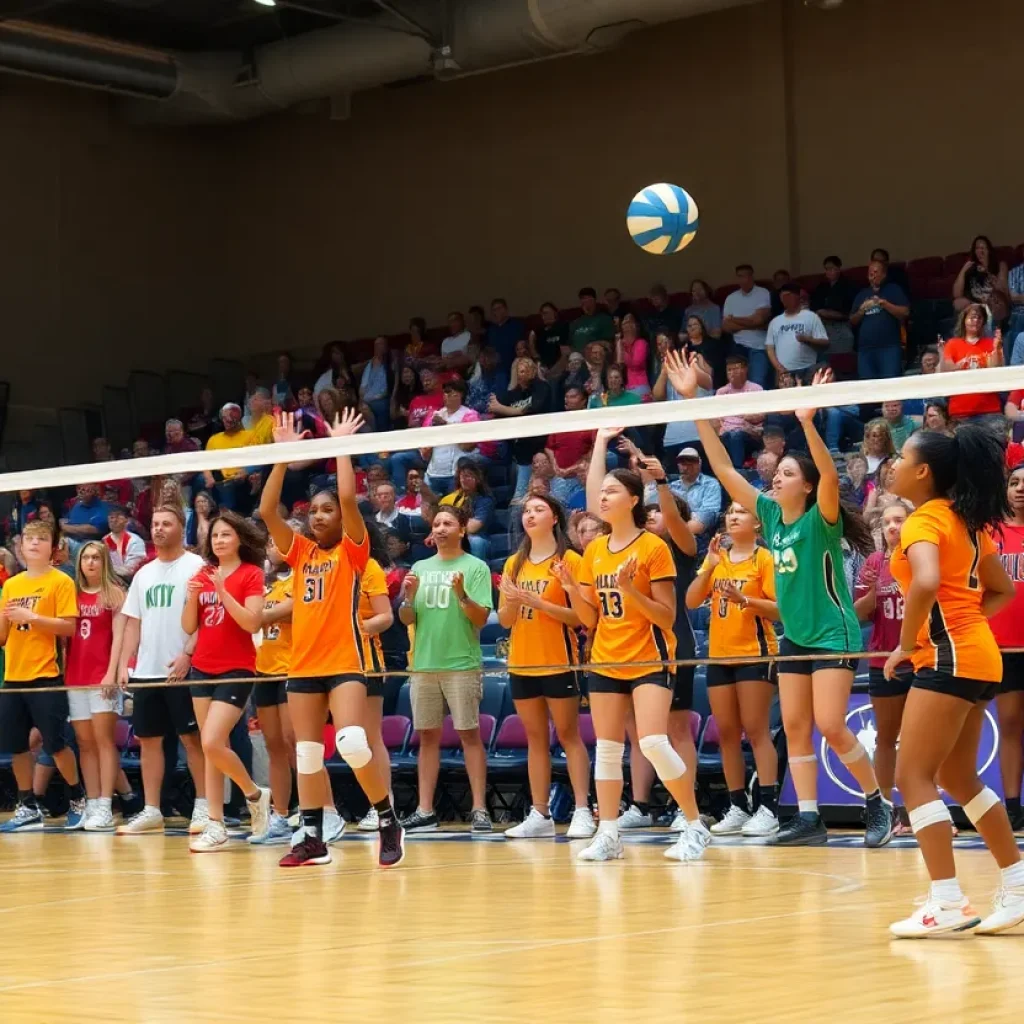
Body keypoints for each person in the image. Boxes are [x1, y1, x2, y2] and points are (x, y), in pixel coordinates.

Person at [664, 352, 891, 847]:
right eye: (777, 474)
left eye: (787, 473)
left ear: (805, 486)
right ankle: (809, 818)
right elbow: (723, 468)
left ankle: (878, 801)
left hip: (833, 632)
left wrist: (807, 422)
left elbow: (828, 476)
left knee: (831, 725)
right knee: (795, 725)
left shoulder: (820, 518)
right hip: (795, 636)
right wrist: (693, 401)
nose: (777, 479)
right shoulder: (768, 514)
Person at [884, 425, 1024, 937]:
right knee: (959, 778)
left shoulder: (924, 520)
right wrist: (963, 625)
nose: (894, 464)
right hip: (978, 654)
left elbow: (924, 581)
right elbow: (1002, 590)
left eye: (901, 457)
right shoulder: (966, 521)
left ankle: (946, 901)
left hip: (949, 657)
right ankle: (1018, 882)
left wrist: (907, 641)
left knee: (912, 777)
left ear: (923, 471)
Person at [260, 409, 404, 868]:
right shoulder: (301, 552)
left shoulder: (353, 553)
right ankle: (312, 838)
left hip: (345, 662)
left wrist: (340, 446)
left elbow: (347, 496)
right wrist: (282, 457)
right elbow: (267, 511)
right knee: (306, 753)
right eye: (314, 511)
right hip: (302, 664)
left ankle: (387, 820)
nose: (319, 516)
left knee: (353, 742)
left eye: (327, 511)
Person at [555, 460, 711, 863]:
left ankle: (694, 825)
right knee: (608, 749)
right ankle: (608, 833)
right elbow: (590, 619)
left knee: (653, 741)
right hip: (606, 658)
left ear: (633, 499)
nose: (603, 497)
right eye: (601, 491)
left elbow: (666, 616)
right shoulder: (593, 550)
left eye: (611, 491)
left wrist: (630, 590)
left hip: (649, 657)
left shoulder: (653, 547)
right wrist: (571, 588)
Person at [498, 495, 595, 840]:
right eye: (526, 510)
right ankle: (540, 813)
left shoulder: (570, 560)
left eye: (539, 510)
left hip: (559, 660)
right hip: (522, 663)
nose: (530, 515)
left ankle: (582, 810)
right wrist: (514, 601)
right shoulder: (514, 563)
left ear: (555, 518)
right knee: (535, 739)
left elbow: (583, 618)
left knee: (569, 735)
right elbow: (505, 620)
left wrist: (539, 603)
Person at [686, 506, 781, 838]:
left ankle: (768, 808)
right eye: (730, 512)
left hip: (755, 653)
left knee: (756, 730)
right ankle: (738, 806)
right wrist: (708, 567)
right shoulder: (717, 558)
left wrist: (745, 599)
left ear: (757, 523)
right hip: (719, 656)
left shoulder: (765, 560)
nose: (733, 517)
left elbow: (780, 609)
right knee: (726, 733)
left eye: (742, 512)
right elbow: (691, 600)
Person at [397, 505, 493, 832]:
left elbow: (481, 618)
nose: (440, 528)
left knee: (469, 734)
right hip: (424, 665)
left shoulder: (475, 567)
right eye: (436, 523)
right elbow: (407, 619)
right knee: (426, 736)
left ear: (462, 530)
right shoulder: (420, 567)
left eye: (447, 523)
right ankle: (425, 810)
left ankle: (479, 809)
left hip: (461, 664)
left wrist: (462, 595)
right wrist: (407, 598)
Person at [115, 507, 208, 835]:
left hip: (182, 670)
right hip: (146, 672)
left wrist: (188, 654)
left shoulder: (197, 566)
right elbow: (133, 623)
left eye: (166, 524)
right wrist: (125, 664)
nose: (158, 529)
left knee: (192, 740)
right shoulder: (144, 573)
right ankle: (152, 809)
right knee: (149, 741)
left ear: (181, 528)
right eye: (154, 524)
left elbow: (208, 617)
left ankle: (204, 807)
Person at [181, 510, 270, 852]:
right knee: (211, 749)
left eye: (226, 535)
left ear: (239, 539)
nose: (219, 540)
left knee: (212, 741)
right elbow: (189, 626)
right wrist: (193, 596)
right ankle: (216, 823)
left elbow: (252, 623)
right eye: (215, 535)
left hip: (237, 668)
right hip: (202, 667)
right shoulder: (202, 575)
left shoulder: (251, 574)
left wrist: (222, 590)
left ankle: (253, 794)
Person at [0, 520, 87, 832]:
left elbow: (69, 627)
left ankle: (78, 799)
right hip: (13, 676)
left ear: (53, 547)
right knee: (17, 746)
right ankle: (27, 806)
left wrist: (31, 616)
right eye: (29, 538)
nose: (34, 543)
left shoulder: (60, 581)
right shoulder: (11, 585)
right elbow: (3, 636)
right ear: (20, 546)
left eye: (41, 538)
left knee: (56, 744)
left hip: (47, 674)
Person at [854, 501, 913, 834]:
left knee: (922, 740)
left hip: (921, 659)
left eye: (899, 520)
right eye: (887, 522)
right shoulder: (874, 563)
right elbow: (859, 613)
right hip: (882, 660)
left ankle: (927, 811)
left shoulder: (923, 559)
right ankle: (886, 811)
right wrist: (875, 590)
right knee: (887, 738)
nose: (892, 526)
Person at [65, 541, 127, 831]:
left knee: (104, 740)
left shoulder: (114, 593)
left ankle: (105, 804)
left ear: (105, 562)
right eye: (85, 558)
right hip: (75, 676)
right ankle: (91, 803)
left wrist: (111, 673)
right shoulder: (72, 594)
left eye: (96, 557)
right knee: (84, 742)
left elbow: (119, 638)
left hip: (102, 676)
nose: (90, 562)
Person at [352, 525, 396, 832]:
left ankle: (383, 804)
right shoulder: (324, 566)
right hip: (328, 661)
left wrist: (356, 627)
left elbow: (386, 617)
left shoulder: (369, 567)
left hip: (366, 661)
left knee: (369, 736)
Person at [989, 465, 1024, 832]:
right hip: (1004, 646)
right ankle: (1012, 806)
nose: (1020, 489)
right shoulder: (990, 533)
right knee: (1011, 724)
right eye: (1014, 483)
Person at [939, 305, 1004, 421]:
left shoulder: (991, 343)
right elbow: (946, 370)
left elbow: (996, 370)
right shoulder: (953, 344)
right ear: (964, 320)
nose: (976, 320)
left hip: (990, 410)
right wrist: (961, 364)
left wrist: (997, 349)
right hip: (960, 411)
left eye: (980, 318)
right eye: (972, 317)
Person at [850, 259, 909, 382]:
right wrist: (862, 310)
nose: (873, 275)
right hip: (865, 350)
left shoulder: (893, 289)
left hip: (889, 348)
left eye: (876, 272)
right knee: (867, 386)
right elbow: (852, 321)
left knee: (890, 384)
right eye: (870, 273)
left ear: (884, 274)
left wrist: (883, 303)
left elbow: (905, 312)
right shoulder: (862, 294)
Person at [722, 264, 772, 389]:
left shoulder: (762, 293)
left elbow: (759, 320)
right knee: (737, 384)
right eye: (740, 276)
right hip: (738, 346)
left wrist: (734, 319)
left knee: (758, 383)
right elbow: (726, 327)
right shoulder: (731, 298)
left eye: (746, 276)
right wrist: (753, 324)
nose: (743, 279)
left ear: (752, 276)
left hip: (759, 347)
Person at [952, 234, 1010, 313]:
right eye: (977, 248)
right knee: (956, 303)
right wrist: (963, 269)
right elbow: (956, 294)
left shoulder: (1000, 265)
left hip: (992, 304)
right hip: (974, 306)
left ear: (989, 250)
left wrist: (987, 273)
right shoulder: (970, 268)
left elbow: (1003, 292)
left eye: (983, 248)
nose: (980, 251)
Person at [104, 505, 146, 582]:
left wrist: (105, 569)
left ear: (127, 520)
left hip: (129, 582)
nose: (114, 520)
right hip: (108, 580)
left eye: (118, 517)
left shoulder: (135, 541)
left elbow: (130, 571)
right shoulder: (104, 540)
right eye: (111, 517)